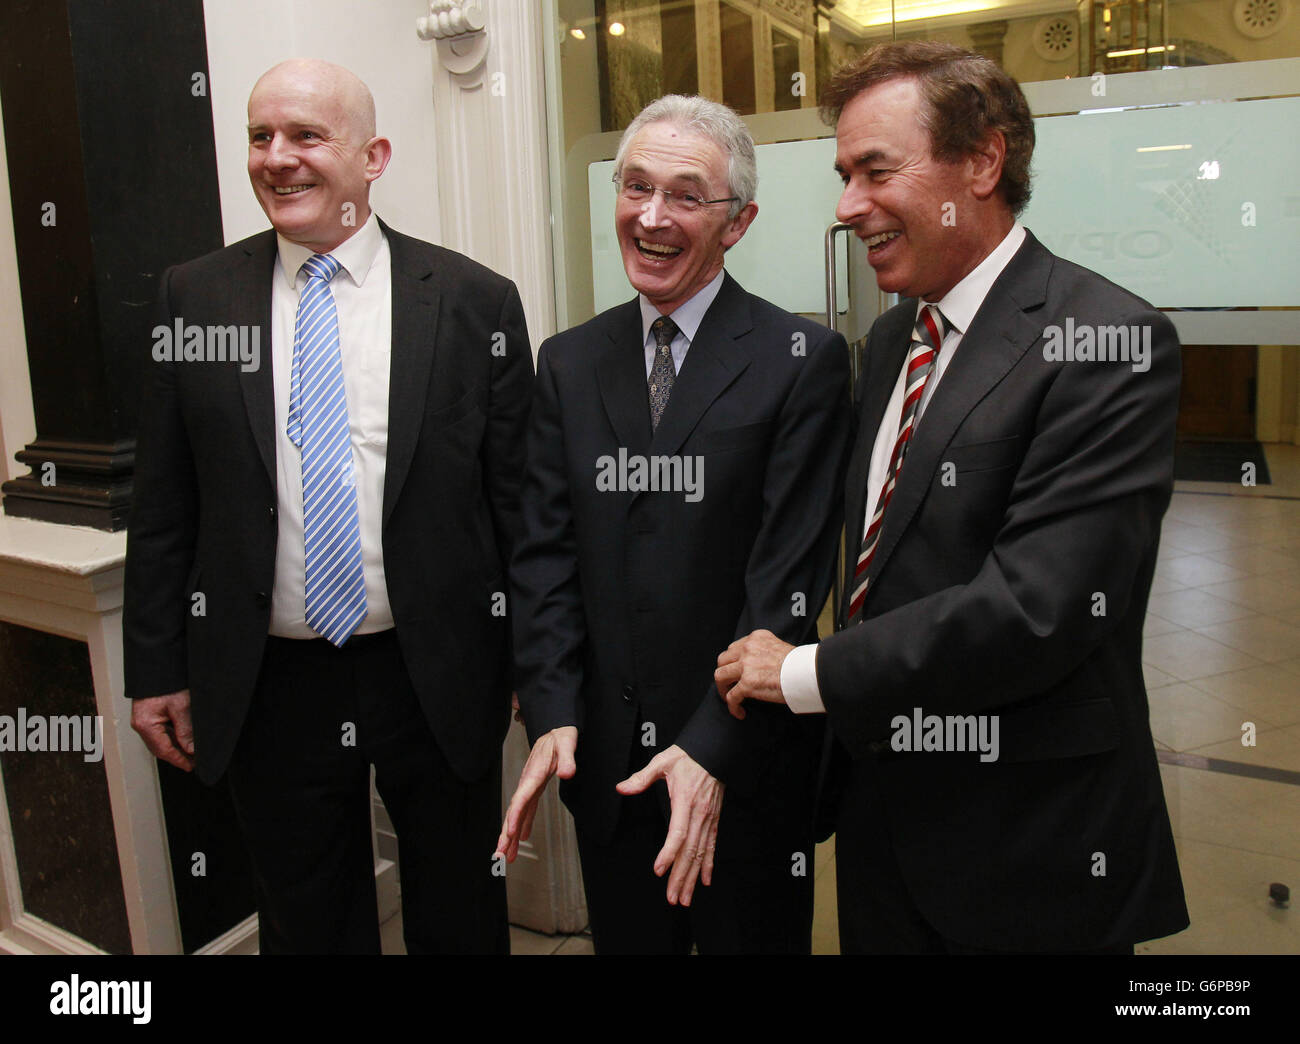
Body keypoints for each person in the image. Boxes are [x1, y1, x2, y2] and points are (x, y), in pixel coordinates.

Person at [717, 42, 1189, 954]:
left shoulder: (1108, 341)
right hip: (885, 821)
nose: (849, 206)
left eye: (875, 171)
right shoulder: (893, 337)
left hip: (1025, 847)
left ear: (981, 161)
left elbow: (1038, 608)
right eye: (844, 175)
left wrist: (806, 672)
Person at [123, 58, 532, 954]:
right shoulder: (193, 296)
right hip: (270, 677)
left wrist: (522, 664)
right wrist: (154, 665)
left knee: (459, 905)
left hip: (435, 668)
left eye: (306, 136)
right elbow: (165, 502)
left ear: (372, 155)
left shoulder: (472, 302)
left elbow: (517, 511)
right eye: (261, 137)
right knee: (308, 917)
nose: (278, 158)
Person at [496, 95, 851, 954]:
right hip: (609, 769)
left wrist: (711, 747)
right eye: (636, 186)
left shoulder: (800, 362)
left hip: (743, 765)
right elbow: (542, 555)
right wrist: (551, 710)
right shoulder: (570, 361)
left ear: (738, 222)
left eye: (686, 196)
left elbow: (788, 583)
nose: (651, 217)